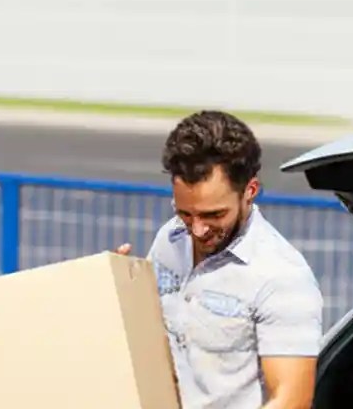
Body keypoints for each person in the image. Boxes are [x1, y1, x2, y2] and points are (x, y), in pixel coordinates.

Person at [117, 110, 324, 409]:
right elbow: (148, 335)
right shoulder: (169, 239)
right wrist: (120, 288)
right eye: (185, 213)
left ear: (250, 191)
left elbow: (291, 400)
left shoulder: (282, 276)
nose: (198, 230)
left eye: (214, 215)